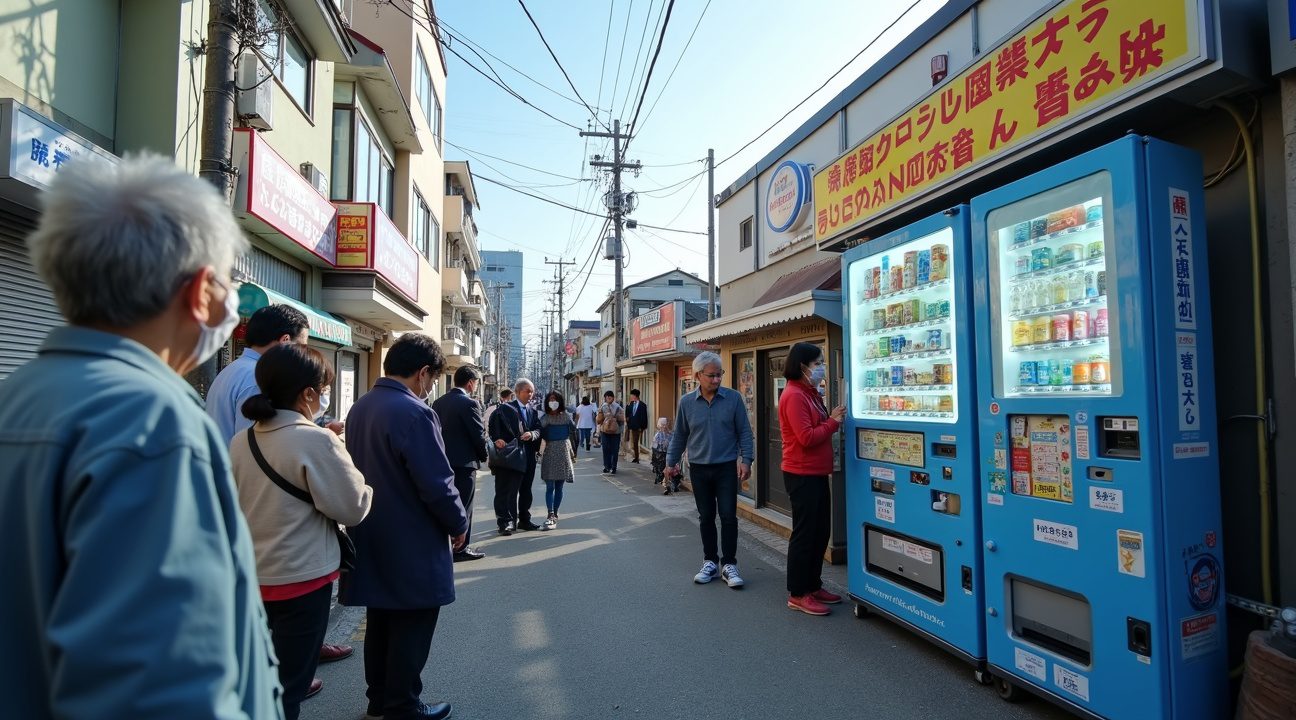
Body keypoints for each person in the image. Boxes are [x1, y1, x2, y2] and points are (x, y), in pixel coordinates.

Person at [0, 154, 281, 718]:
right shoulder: (153, 423)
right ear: (202, 290)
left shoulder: (20, 396)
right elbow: (163, 691)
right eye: (229, 282)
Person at [206, 303, 354, 677]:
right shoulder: (257, 384)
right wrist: (323, 443)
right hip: (289, 556)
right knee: (286, 666)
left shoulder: (228, 375)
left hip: (248, 538)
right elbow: (349, 504)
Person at [228, 344, 373, 719]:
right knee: (290, 687)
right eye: (322, 389)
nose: (323, 396)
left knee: (260, 681)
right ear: (308, 393)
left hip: (251, 577)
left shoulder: (241, 441)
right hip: (302, 578)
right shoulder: (317, 439)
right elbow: (353, 508)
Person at [341, 334, 468, 720]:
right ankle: (402, 705)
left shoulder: (361, 407)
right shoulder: (414, 412)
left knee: (379, 618)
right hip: (412, 535)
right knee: (413, 620)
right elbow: (437, 483)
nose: (429, 388)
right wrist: (458, 522)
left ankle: (379, 700)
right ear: (422, 373)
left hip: (369, 529)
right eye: (430, 380)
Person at [666, 351, 755, 590]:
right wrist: (670, 462)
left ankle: (729, 564)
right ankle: (710, 562)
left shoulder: (734, 398)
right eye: (712, 376)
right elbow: (680, 435)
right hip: (698, 468)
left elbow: (744, 432)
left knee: (728, 516)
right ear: (698, 376)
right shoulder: (686, 403)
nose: (716, 380)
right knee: (706, 517)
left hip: (726, 467)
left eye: (719, 375)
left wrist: (746, 459)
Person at [778, 342, 847, 616]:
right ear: (803, 366)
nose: (821, 368)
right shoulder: (794, 395)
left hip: (816, 472)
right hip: (801, 473)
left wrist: (830, 418)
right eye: (818, 364)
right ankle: (798, 593)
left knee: (820, 533)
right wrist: (833, 422)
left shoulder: (810, 393)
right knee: (805, 535)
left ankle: (813, 585)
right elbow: (806, 438)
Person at [206, 303, 309, 442]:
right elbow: (254, 446)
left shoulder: (234, 369)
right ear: (285, 341)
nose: (302, 353)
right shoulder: (258, 377)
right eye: (301, 346)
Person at [432, 366, 491, 562]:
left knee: (446, 504)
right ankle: (460, 548)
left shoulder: (438, 402)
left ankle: (445, 545)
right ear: (471, 383)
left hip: (441, 462)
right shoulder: (470, 404)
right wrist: (484, 457)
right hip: (465, 464)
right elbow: (478, 435)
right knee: (464, 506)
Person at [537, 391, 578, 529]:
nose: (553, 402)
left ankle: (556, 512)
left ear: (560, 401)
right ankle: (550, 513)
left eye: (555, 399)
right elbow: (538, 433)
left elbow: (574, 433)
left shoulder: (566, 416)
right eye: (550, 399)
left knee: (559, 486)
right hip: (549, 452)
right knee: (549, 486)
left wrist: (574, 452)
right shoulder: (545, 418)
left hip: (563, 452)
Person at [510, 379, 544, 531]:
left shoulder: (532, 411)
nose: (530, 394)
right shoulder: (507, 409)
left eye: (532, 391)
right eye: (527, 391)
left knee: (526, 489)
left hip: (529, 455)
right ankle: (508, 520)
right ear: (517, 392)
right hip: (512, 455)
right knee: (511, 489)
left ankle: (524, 519)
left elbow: (538, 429)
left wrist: (532, 434)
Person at [596, 390, 625, 474]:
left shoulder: (618, 407)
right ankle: (606, 466)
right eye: (607, 397)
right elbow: (598, 420)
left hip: (616, 431)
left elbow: (623, 419)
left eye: (610, 396)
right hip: (604, 431)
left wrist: (616, 417)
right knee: (605, 449)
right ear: (605, 398)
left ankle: (613, 467)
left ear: (613, 397)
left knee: (615, 450)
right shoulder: (603, 406)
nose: (608, 398)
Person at [652, 417, 677, 494]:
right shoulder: (657, 435)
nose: (664, 426)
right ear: (659, 425)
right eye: (662, 425)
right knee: (665, 468)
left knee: (672, 469)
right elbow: (655, 447)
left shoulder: (671, 434)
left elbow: (675, 443)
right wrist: (662, 445)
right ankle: (666, 485)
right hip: (661, 455)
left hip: (670, 454)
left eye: (665, 424)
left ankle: (668, 485)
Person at [625, 388, 650, 463]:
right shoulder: (630, 404)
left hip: (639, 426)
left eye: (632, 395)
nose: (631, 397)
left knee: (636, 441)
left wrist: (643, 427)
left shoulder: (643, 405)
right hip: (632, 426)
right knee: (634, 442)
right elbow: (628, 414)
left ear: (635, 396)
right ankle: (636, 456)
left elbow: (644, 416)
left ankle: (637, 457)